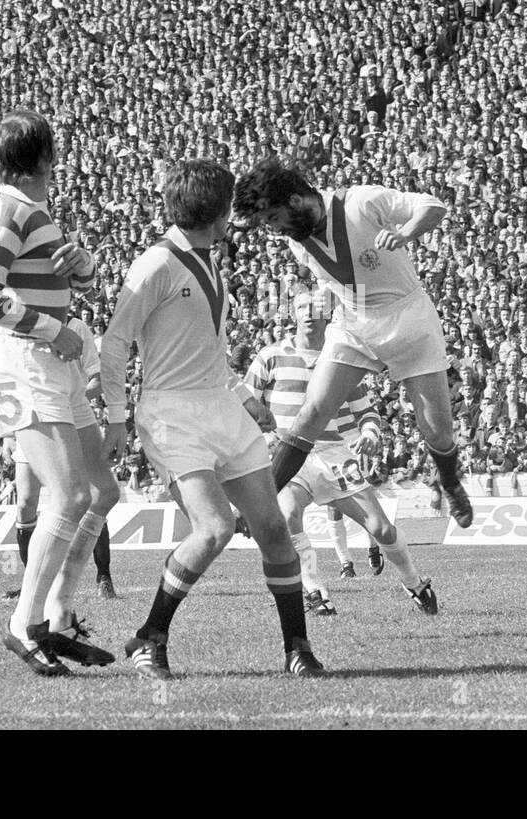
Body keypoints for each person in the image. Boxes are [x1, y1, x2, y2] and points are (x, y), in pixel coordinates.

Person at [100, 159, 326, 680]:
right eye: (229, 205)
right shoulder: (155, 265)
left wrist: (244, 401)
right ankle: (149, 637)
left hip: (219, 406)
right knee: (215, 527)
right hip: (171, 413)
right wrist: (115, 417)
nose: (235, 215)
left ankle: (297, 648)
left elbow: (203, 347)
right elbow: (114, 342)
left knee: (273, 529)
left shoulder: (205, 257)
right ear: (214, 210)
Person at [231, 157, 473, 529]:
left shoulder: (360, 201)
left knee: (438, 433)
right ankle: (258, 510)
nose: (274, 230)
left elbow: (432, 205)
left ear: (295, 201)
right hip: (355, 324)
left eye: (272, 218)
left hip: (409, 318)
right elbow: (340, 284)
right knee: (311, 413)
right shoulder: (299, 245)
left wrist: (406, 232)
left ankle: (452, 483)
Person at [0, 110, 122, 677]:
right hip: (27, 362)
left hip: (53, 363)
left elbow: (64, 285)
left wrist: (82, 270)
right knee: (72, 495)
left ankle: (58, 618)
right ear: (46, 158)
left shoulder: (32, 212)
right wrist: (54, 329)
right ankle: (22, 625)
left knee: (103, 491)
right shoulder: (8, 211)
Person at [242, 289, 437, 616]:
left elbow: (368, 412)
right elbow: (245, 404)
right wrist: (257, 438)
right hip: (289, 457)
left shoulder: (342, 360)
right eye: (301, 306)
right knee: (288, 515)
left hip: (334, 455)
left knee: (381, 529)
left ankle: (414, 582)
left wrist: (370, 432)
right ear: (293, 313)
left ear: (327, 314)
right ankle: (315, 591)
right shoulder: (270, 356)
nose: (307, 312)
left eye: (315, 307)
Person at [4, 315, 116, 601]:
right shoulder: (22, 326)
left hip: (71, 421)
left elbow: (97, 380)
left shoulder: (77, 328)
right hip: (30, 421)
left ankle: (104, 577)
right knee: (25, 503)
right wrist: (6, 432)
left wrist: (69, 403)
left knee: (93, 496)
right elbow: (9, 380)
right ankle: (33, 584)